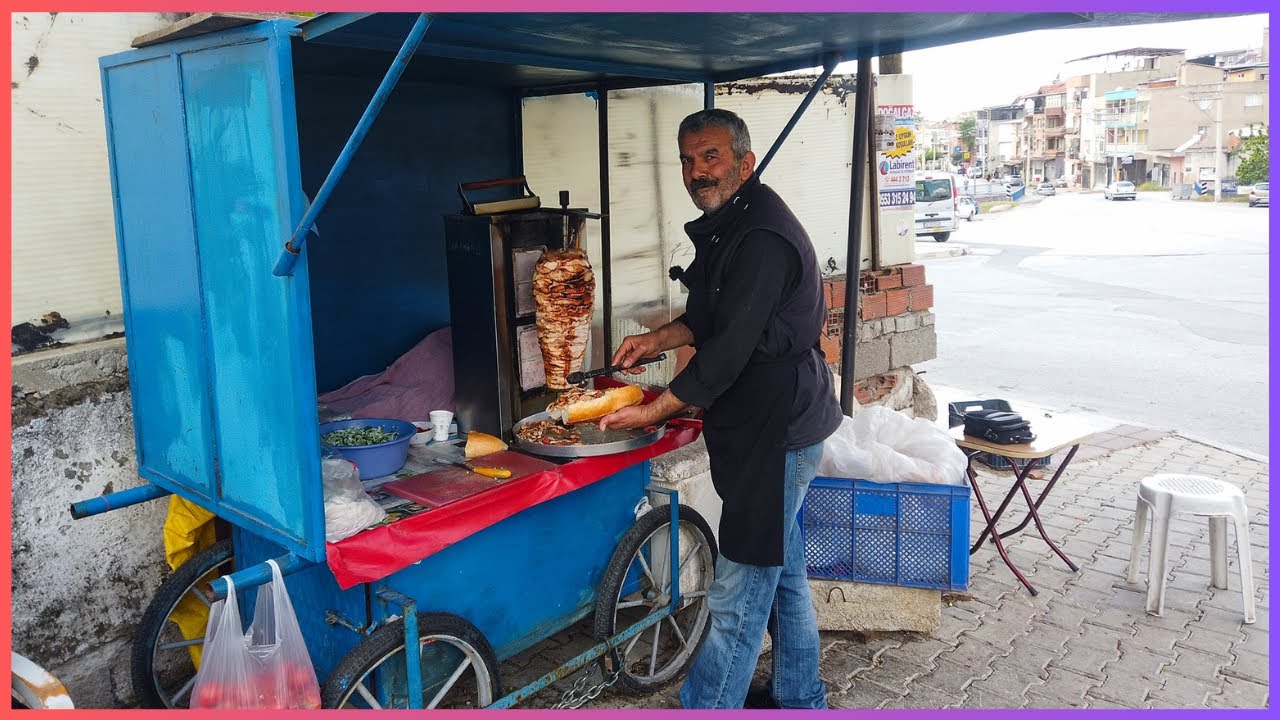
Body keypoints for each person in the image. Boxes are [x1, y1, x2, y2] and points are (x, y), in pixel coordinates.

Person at [599, 108, 842, 709]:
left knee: (738, 594)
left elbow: (731, 346)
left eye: (710, 157)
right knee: (784, 579)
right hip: (762, 422)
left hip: (779, 429)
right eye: (687, 160)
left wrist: (656, 410)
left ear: (744, 162)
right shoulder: (729, 220)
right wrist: (657, 340)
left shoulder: (761, 237)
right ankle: (802, 697)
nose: (696, 172)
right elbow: (711, 313)